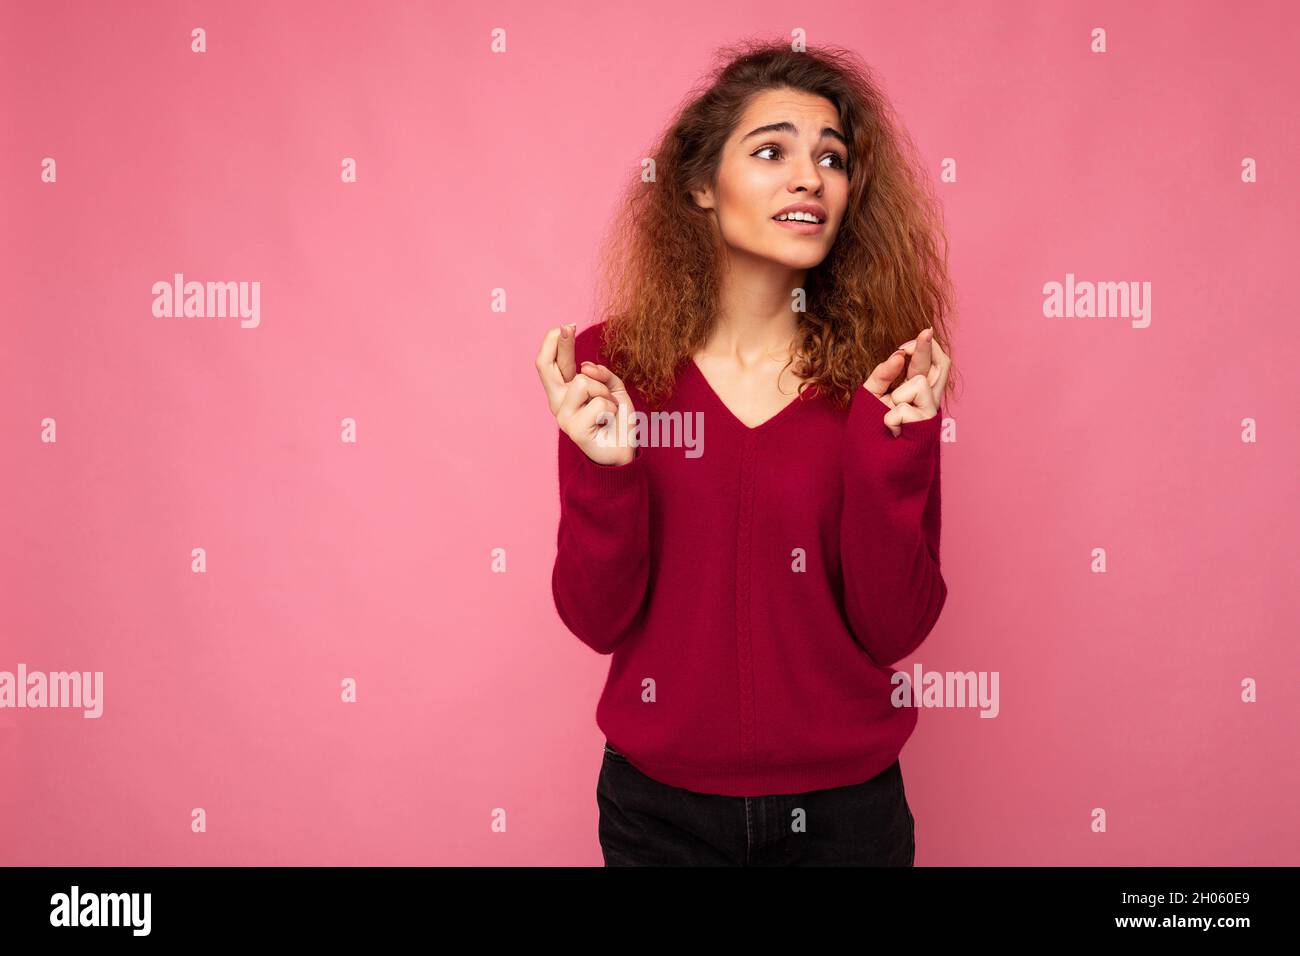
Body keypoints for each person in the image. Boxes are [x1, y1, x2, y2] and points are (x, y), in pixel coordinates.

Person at [534, 39, 957, 866]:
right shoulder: (612, 367)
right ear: (698, 184)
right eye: (772, 151)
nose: (810, 178)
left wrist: (893, 453)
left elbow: (895, 625)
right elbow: (595, 618)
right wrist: (606, 471)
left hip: (848, 819)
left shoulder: (885, 377)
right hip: (658, 816)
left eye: (832, 159)